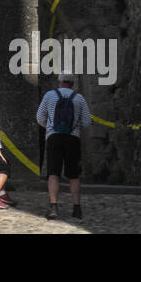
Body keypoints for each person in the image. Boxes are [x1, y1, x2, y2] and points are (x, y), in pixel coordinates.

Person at [35, 73, 92, 220]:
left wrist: (50, 127)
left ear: (59, 81)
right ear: (73, 84)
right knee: (73, 175)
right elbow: (86, 122)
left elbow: (40, 117)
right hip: (72, 139)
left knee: (53, 173)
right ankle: (77, 208)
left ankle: (54, 207)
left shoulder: (49, 95)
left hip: (54, 137)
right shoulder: (79, 98)